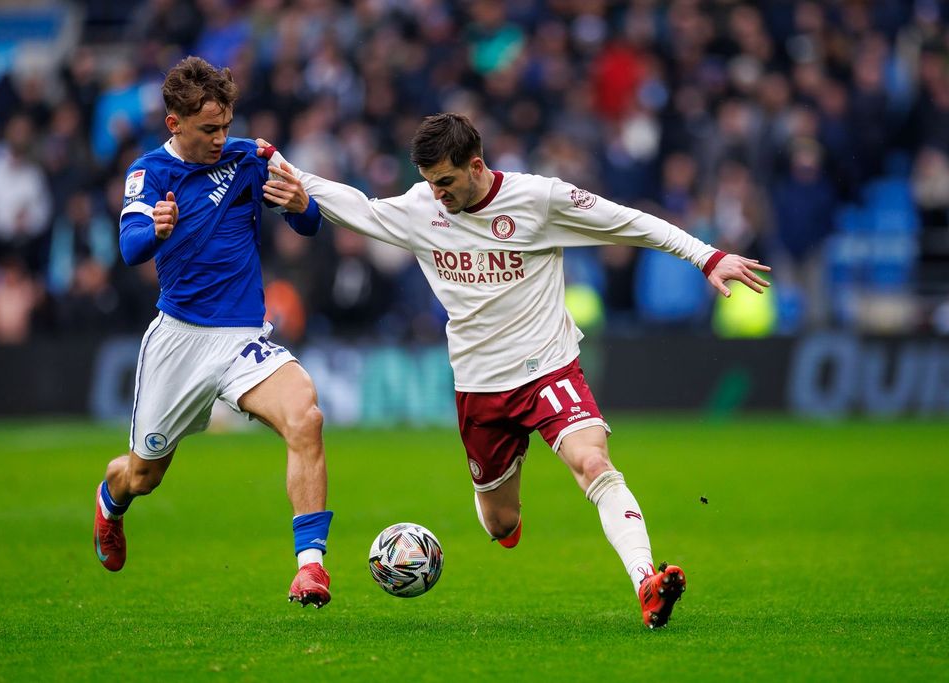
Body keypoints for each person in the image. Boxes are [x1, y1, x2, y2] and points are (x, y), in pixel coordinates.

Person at [257, 113, 771, 628]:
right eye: (428, 181)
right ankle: (507, 520)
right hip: (479, 386)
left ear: (476, 165)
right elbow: (353, 205)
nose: (436, 194)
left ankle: (646, 582)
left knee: (593, 463)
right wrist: (275, 163)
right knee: (500, 523)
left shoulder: (539, 200)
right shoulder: (422, 208)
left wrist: (706, 257)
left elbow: (629, 222)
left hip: (548, 368)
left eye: (446, 182)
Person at [93, 56, 334, 609]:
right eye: (208, 130)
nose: (221, 139)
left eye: (226, 125)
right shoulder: (149, 172)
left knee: (306, 416)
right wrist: (155, 229)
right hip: (180, 340)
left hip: (243, 339)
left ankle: (310, 568)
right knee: (144, 475)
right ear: (174, 123)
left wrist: (302, 205)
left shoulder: (251, 158)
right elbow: (130, 250)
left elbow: (308, 222)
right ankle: (111, 500)